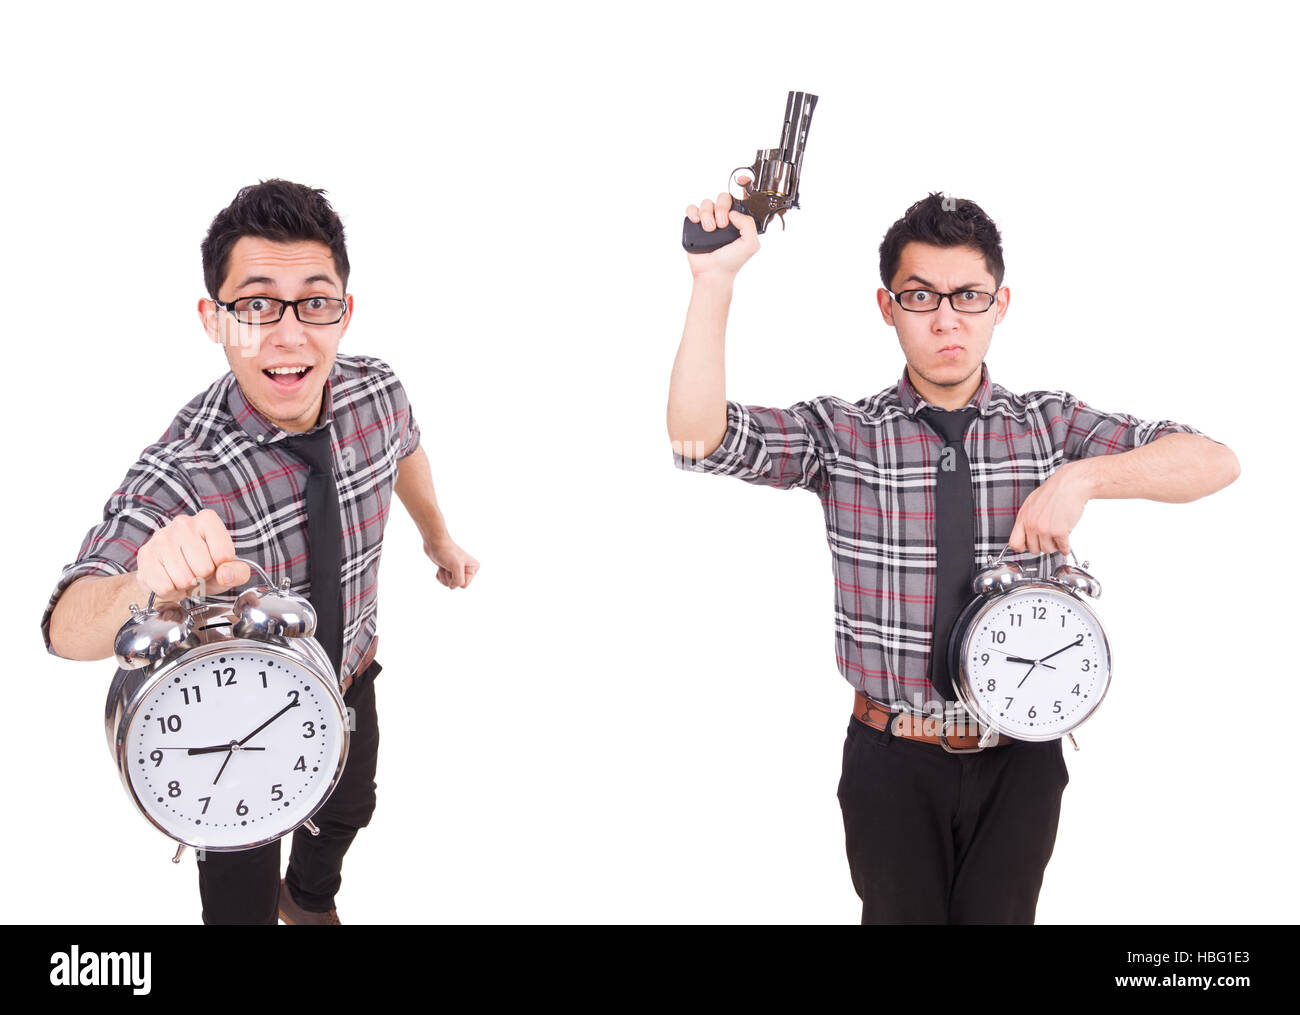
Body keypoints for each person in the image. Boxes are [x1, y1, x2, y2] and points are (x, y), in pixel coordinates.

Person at [666, 187, 1240, 924]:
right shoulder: (842, 434)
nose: (946, 318)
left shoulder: (1050, 426)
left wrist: (1085, 476)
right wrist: (714, 283)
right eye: (920, 295)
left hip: (1022, 757)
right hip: (890, 758)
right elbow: (696, 437)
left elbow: (1215, 461)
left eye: (968, 295)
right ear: (887, 307)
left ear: (1000, 304)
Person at [41, 179, 479, 925]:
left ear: (345, 312)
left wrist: (437, 535)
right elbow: (65, 624)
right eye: (255, 305)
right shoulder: (184, 468)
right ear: (214, 320)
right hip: (234, 727)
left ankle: (309, 902)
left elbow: (404, 451)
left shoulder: (378, 390)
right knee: (238, 903)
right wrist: (143, 581)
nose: (288, 334)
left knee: (348, 809)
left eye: (314, 301)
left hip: (349, 670)